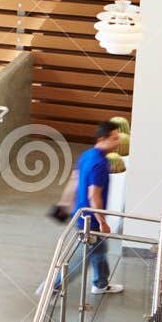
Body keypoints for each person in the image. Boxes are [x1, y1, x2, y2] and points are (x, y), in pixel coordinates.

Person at [45, 120, 126, 296]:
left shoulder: (87, 155)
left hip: (80, 214)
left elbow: (73, 181)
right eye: (114, 138)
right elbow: (94, 196)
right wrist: (102, 222)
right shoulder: (100, 164)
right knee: (84, 258)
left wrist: (64, 203)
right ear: (102, 139)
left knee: (99, 251)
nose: (118, 142)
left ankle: (101, 283)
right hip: (90, 220)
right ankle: (55, 287)